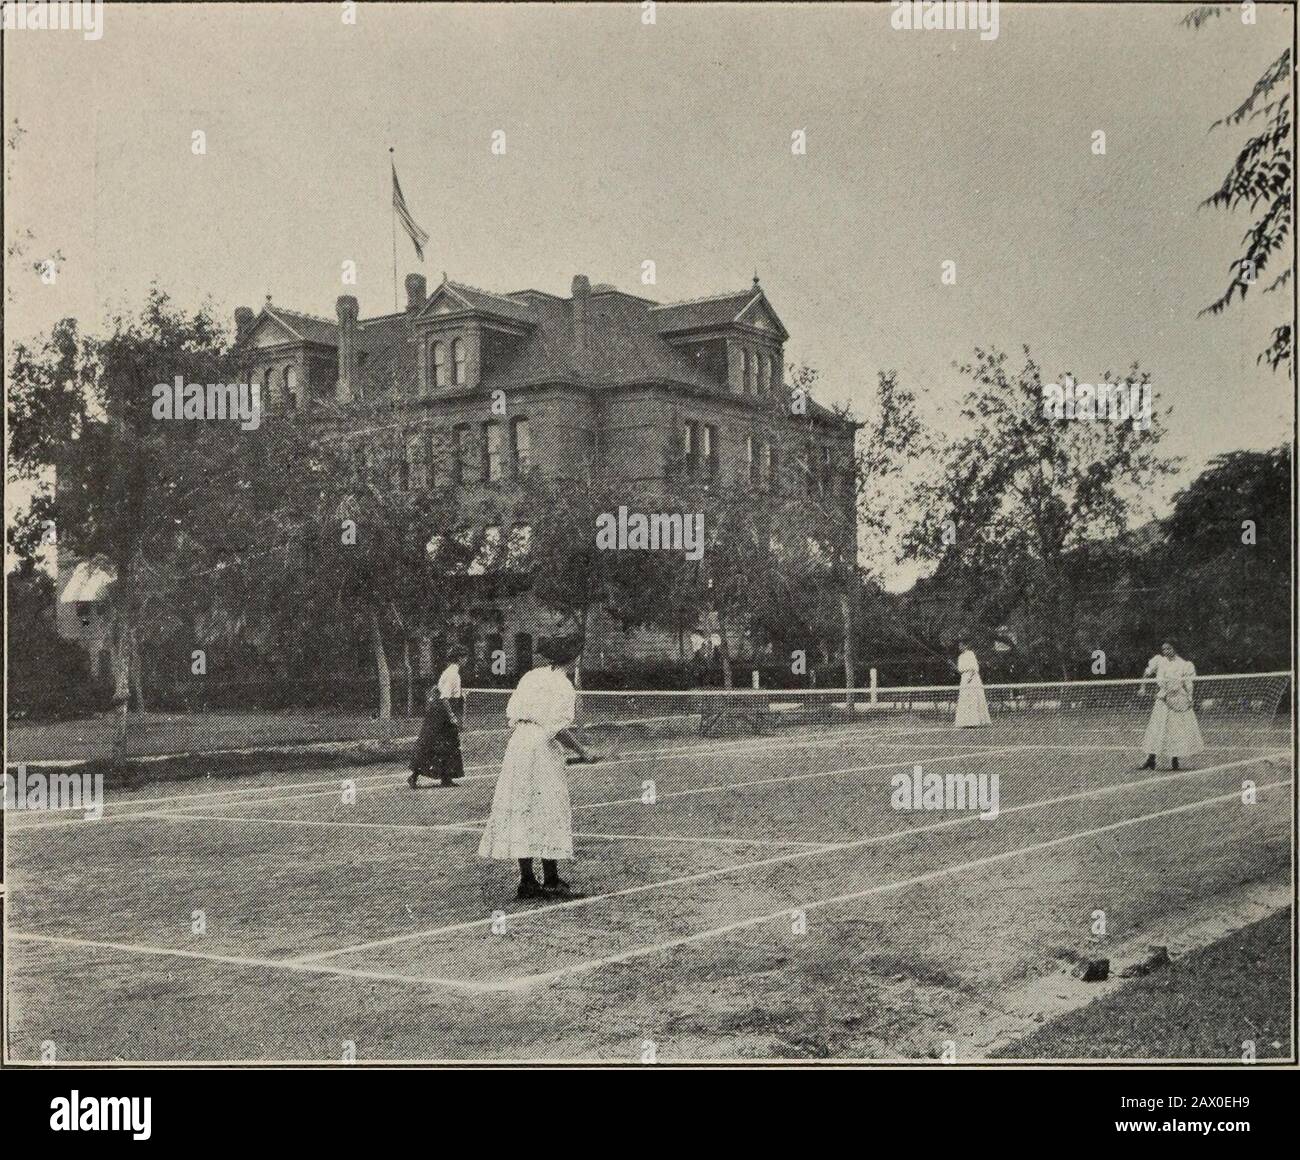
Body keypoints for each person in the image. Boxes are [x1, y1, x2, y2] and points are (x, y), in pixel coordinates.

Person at [478, 634, 591, 899]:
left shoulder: (531, 677)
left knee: (522, 807)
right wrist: (583, 750)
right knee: (547, 806)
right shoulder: (563, 686)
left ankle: (528, 880)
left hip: (518, 745)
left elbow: (513, 713)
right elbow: (557, 728)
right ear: (573, 659)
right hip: (540, 747)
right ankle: (550, 879)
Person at [407, 646, 469, 787]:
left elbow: (441, 690)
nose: (466, 660)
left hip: (441, 712)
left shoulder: (451, 672)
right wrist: (452, 715)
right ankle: (414, 776)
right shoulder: (453, 674)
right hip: (440, 714)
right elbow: (444, 698)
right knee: (432, 744)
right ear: (459, 658)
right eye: (464, 657)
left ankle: (446, 778)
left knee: (448, 744)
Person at [1140, 640, 1204, 770]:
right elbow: (1147, 672)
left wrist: (1190, 698)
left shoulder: (1184, 664)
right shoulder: (1159, 660)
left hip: (1178, 700)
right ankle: (1151, 759)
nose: (1166, 651)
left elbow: (1188, 684)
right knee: (1157, 728)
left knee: (1175, 730)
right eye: (1164, 649)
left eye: (1168, 648)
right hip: (1163, 699)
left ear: (1175, 648)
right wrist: (1142, 686)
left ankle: (1175, 761)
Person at [954, 637, 991, 728]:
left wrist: (970, 678)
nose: (960, 647)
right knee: (965, 699)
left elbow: (974, 668)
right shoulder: (960, 657)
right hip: (964, 678)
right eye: (959, 646)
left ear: (966, 646)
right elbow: (960, 670)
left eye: (962, 645)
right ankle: (966, 722)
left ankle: (976, 721)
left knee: (973, 698)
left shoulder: (970, 654)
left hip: (973, 678)